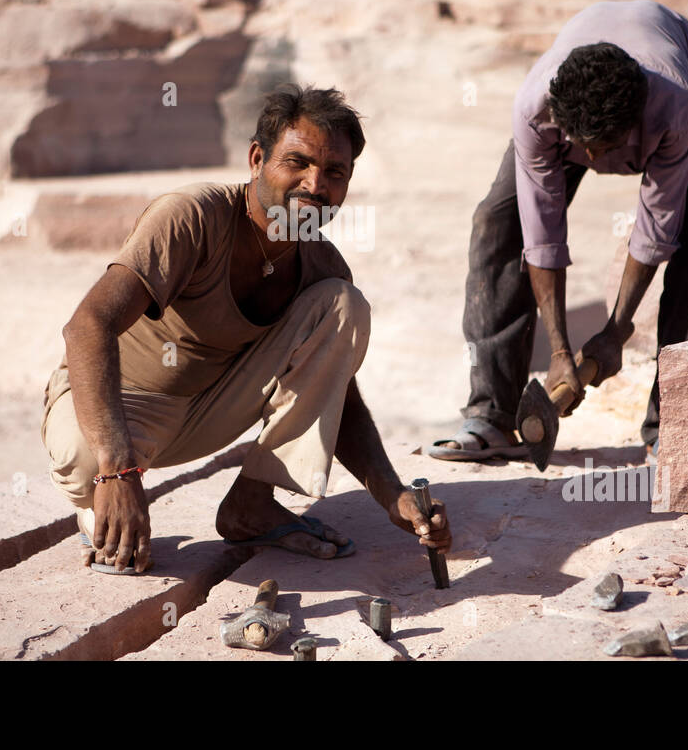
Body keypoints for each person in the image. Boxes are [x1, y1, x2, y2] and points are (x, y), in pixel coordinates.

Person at [41, 83, 451, 573]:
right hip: (121, 405)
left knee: (344, 304)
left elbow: (333, 389)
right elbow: (89, 325)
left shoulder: (322, 266)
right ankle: (103, 496)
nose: (315, 186)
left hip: (212, 406)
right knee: (87, 467)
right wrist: (118, 469)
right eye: (296, 163)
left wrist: (393, 494)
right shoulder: (192, 216)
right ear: (257, 159)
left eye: (334, 173)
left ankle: (250, 505)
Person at [430, 0, 688, 464]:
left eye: (605, 148)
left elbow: (656, 227)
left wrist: (615, 332)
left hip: (686, 83)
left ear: (634, 125)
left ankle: (672, 425)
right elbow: (542, 234)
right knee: (496, 224)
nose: (594, 162)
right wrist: (559, 350)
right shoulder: (536, 108)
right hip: (572, 114)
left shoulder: (676, 104)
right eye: (583, 148)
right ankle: (492, 416)